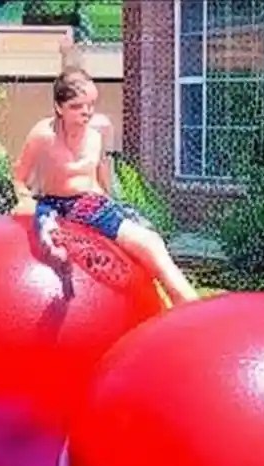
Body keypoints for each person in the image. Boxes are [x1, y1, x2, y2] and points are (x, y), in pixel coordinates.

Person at [10, 70, 200, 306]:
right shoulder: (43, 135)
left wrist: (117, 209)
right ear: (59, 107)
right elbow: (18, 177)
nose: (86, 112)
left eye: (90, 105)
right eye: (76, 106)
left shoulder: (98, 133)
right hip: (54, 205)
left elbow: (101, 179)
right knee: (49, 237)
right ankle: (56, 250)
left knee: (150, 241)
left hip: (90, 205)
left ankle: (186, 302)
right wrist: (25, 199)